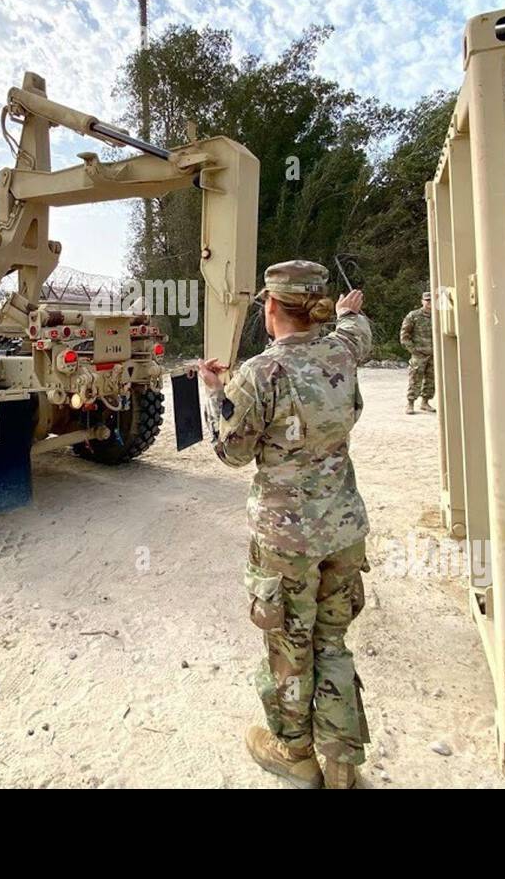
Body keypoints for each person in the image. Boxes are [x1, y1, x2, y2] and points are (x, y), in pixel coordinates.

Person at [196, 260, 373, 790]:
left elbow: (231, 451)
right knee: (332, 641)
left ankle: (294, 753)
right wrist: (346, 313)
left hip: (286, 541)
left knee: (290, 643)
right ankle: (342, 763)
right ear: (318, 308)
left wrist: (213, 392)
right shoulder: (343, 349)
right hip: (343, 530)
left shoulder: (259, 374)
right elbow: (355, 331)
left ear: (271, 308)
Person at [399, 290, 435, 415]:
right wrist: (413, 350)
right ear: (422, 301)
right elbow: (404, 336)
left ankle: (425, 403)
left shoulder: (438, 315)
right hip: (419, 354)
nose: (430, 303)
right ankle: (410, 403)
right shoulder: (413, 316)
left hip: (434, 354)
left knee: (431, 380)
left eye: (431, 300)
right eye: (427, 300)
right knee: (415, 379)